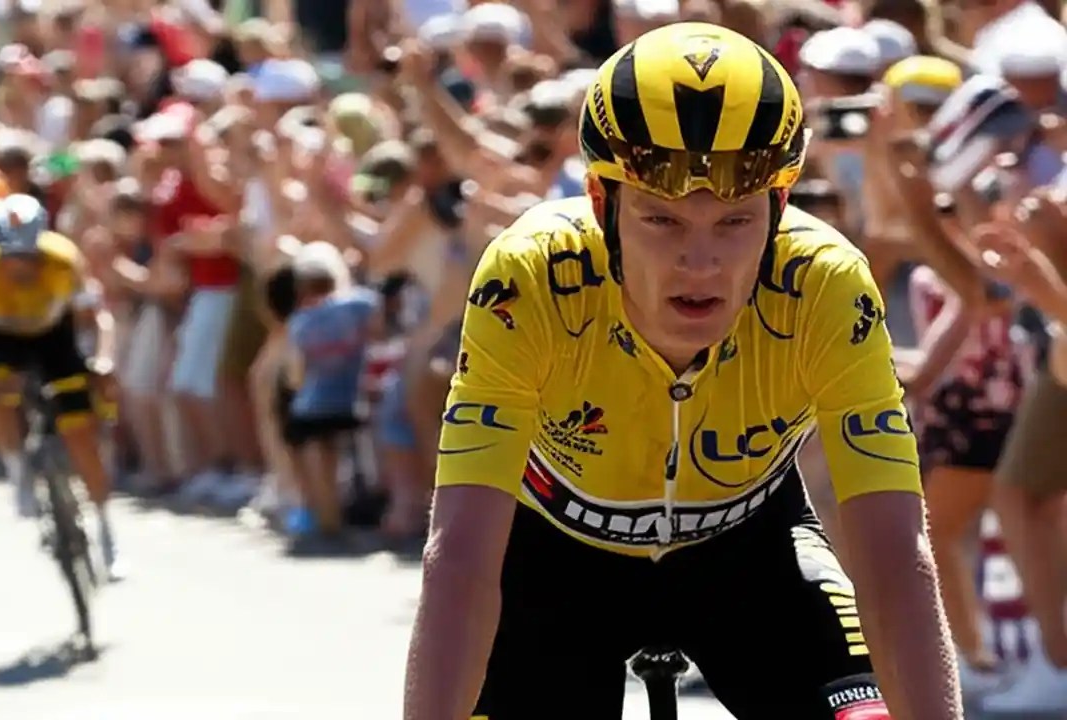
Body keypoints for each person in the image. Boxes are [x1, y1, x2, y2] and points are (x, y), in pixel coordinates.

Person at [403, 23, 961, 720]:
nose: (700, 265)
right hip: (555, 562)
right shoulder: (531, 279)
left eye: (734, 222)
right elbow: (459, 558)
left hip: (749, 555)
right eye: (662, 221)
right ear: (603, 206)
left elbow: (893, 562)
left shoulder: (826, 287)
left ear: (779, 209)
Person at [0, 193, 122, 580]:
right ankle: (18, 473)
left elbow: (96, 319)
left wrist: (102, 360)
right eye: (11, 256)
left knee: (80, 433)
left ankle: (106, 531)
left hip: (56, 336)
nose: (21, 264)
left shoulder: (63, 260)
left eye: (28, 254)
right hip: (8, 338)